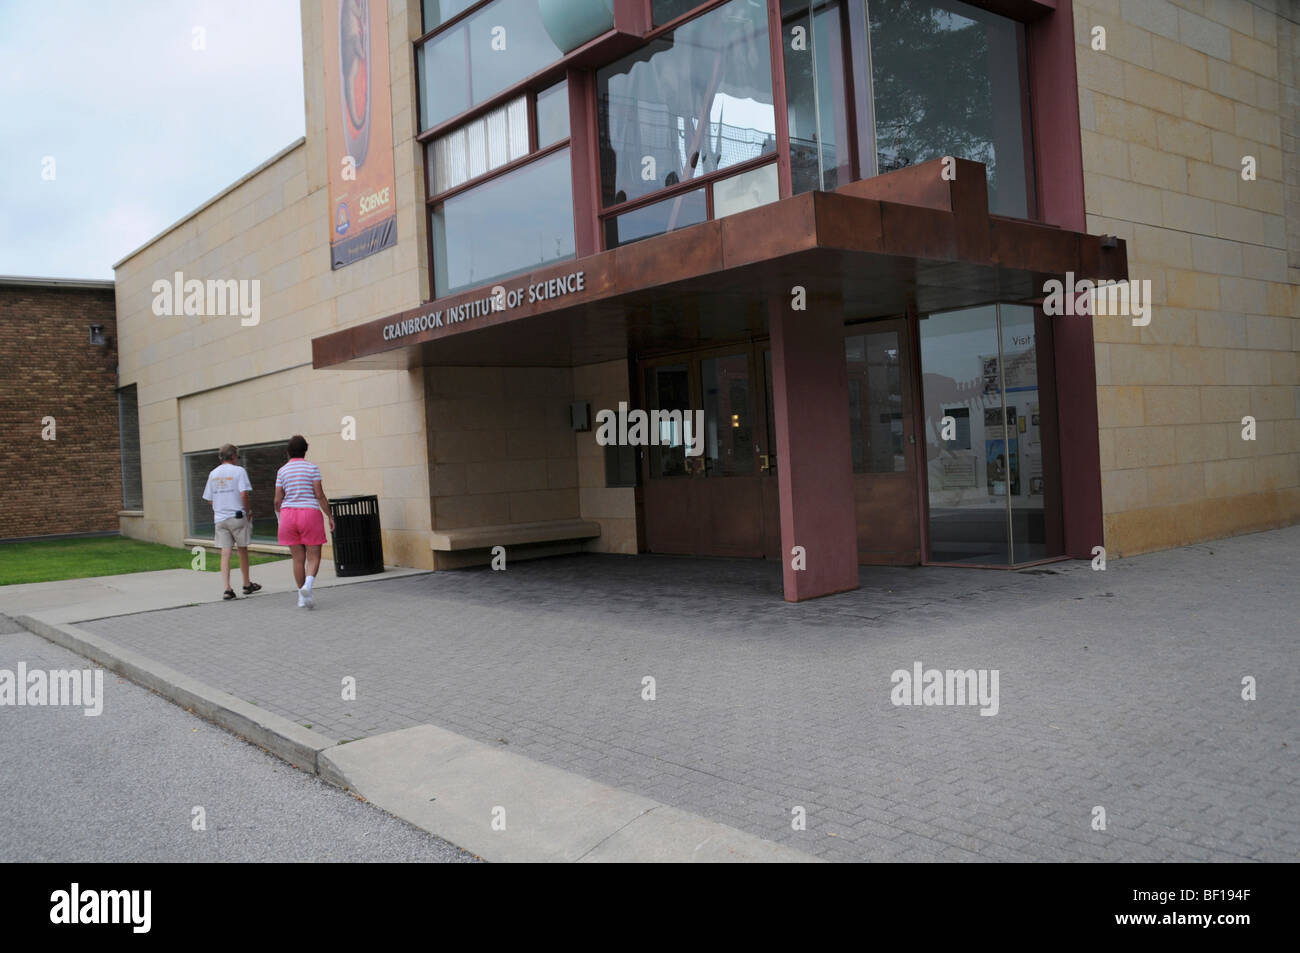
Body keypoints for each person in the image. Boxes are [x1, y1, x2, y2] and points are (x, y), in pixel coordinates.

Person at [274, 435, 335, 609]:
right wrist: (330, 516)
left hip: (288, 515)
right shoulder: (312, 469)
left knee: (298, 559)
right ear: (305, 450)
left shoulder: (282, 471)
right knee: (314, 556)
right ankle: (307, 587)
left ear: (288, 451)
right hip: (309, 514)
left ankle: (302, 597)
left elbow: (277, 500)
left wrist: (280, 517)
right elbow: (319, 495)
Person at [202, 444, 261, 601]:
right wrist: (247, 512)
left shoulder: (213, 474)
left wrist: (220, 509)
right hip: (238, 516)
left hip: (220, 519)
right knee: (242, 550)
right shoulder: (239, 471)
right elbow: (244, 494)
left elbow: (210, 499)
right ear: (234, 456)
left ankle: (227, 589)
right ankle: (247, 584)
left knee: (225, 553)